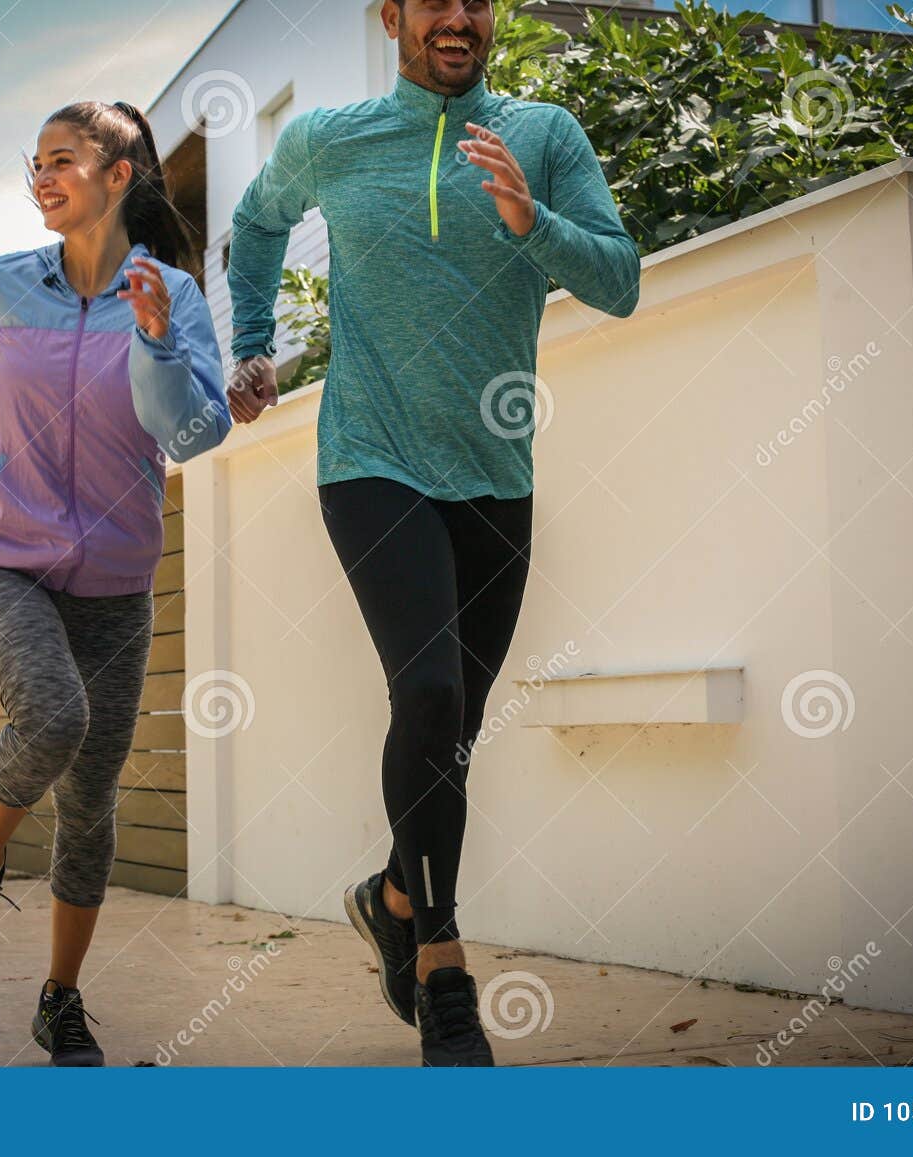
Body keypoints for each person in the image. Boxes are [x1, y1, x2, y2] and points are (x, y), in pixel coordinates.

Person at [224, 0, 640, 1066]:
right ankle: (443, 966)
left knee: (453, 726)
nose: (458, 17)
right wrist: (258, 343)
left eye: (477, 0)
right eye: (434, 1)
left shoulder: (544, 136)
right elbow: (258, 220)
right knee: (430, 691)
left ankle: (394, 893)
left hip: (495, 473)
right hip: (370, 457)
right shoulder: (331, 136)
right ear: (391, 15)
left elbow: (621, 280)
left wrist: (532, 225)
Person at [0, 100, 229, 1067]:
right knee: (55, 717)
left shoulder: (173, 298)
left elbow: (193, 434)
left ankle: (60, 999)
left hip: (115, 579)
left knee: (93, 800)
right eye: (34, 162)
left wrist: (156, 338)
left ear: (119, 176)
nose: (42, 175)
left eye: (63, 160)